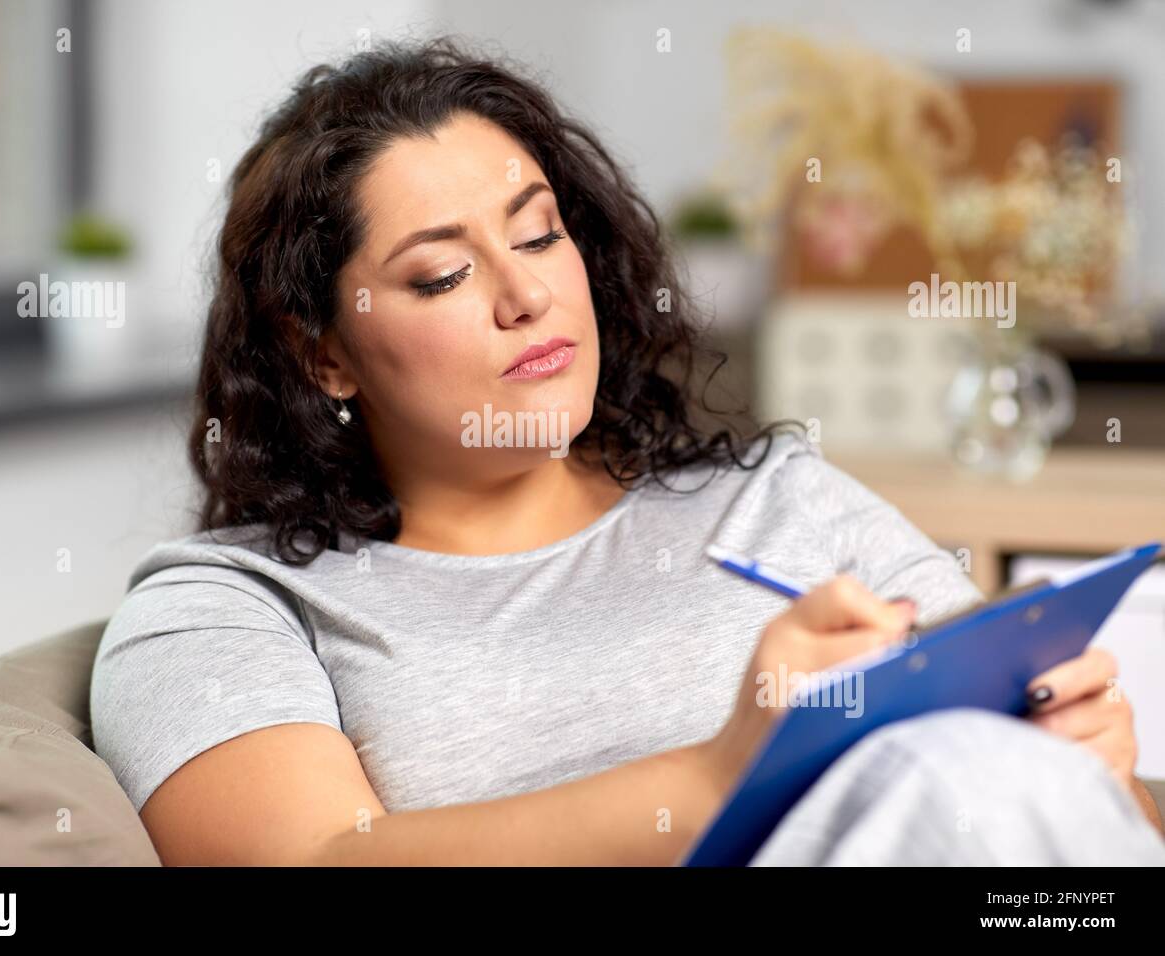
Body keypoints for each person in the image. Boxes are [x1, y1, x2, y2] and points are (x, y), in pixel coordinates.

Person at [90, 36, 1165, 866]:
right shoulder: (228, 602)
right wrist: (717, 776)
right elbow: (317, 861)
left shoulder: (776, 500)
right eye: (440, 276)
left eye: (537, 231)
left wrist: (1096, 765)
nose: (526, 296)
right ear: (322, 353)